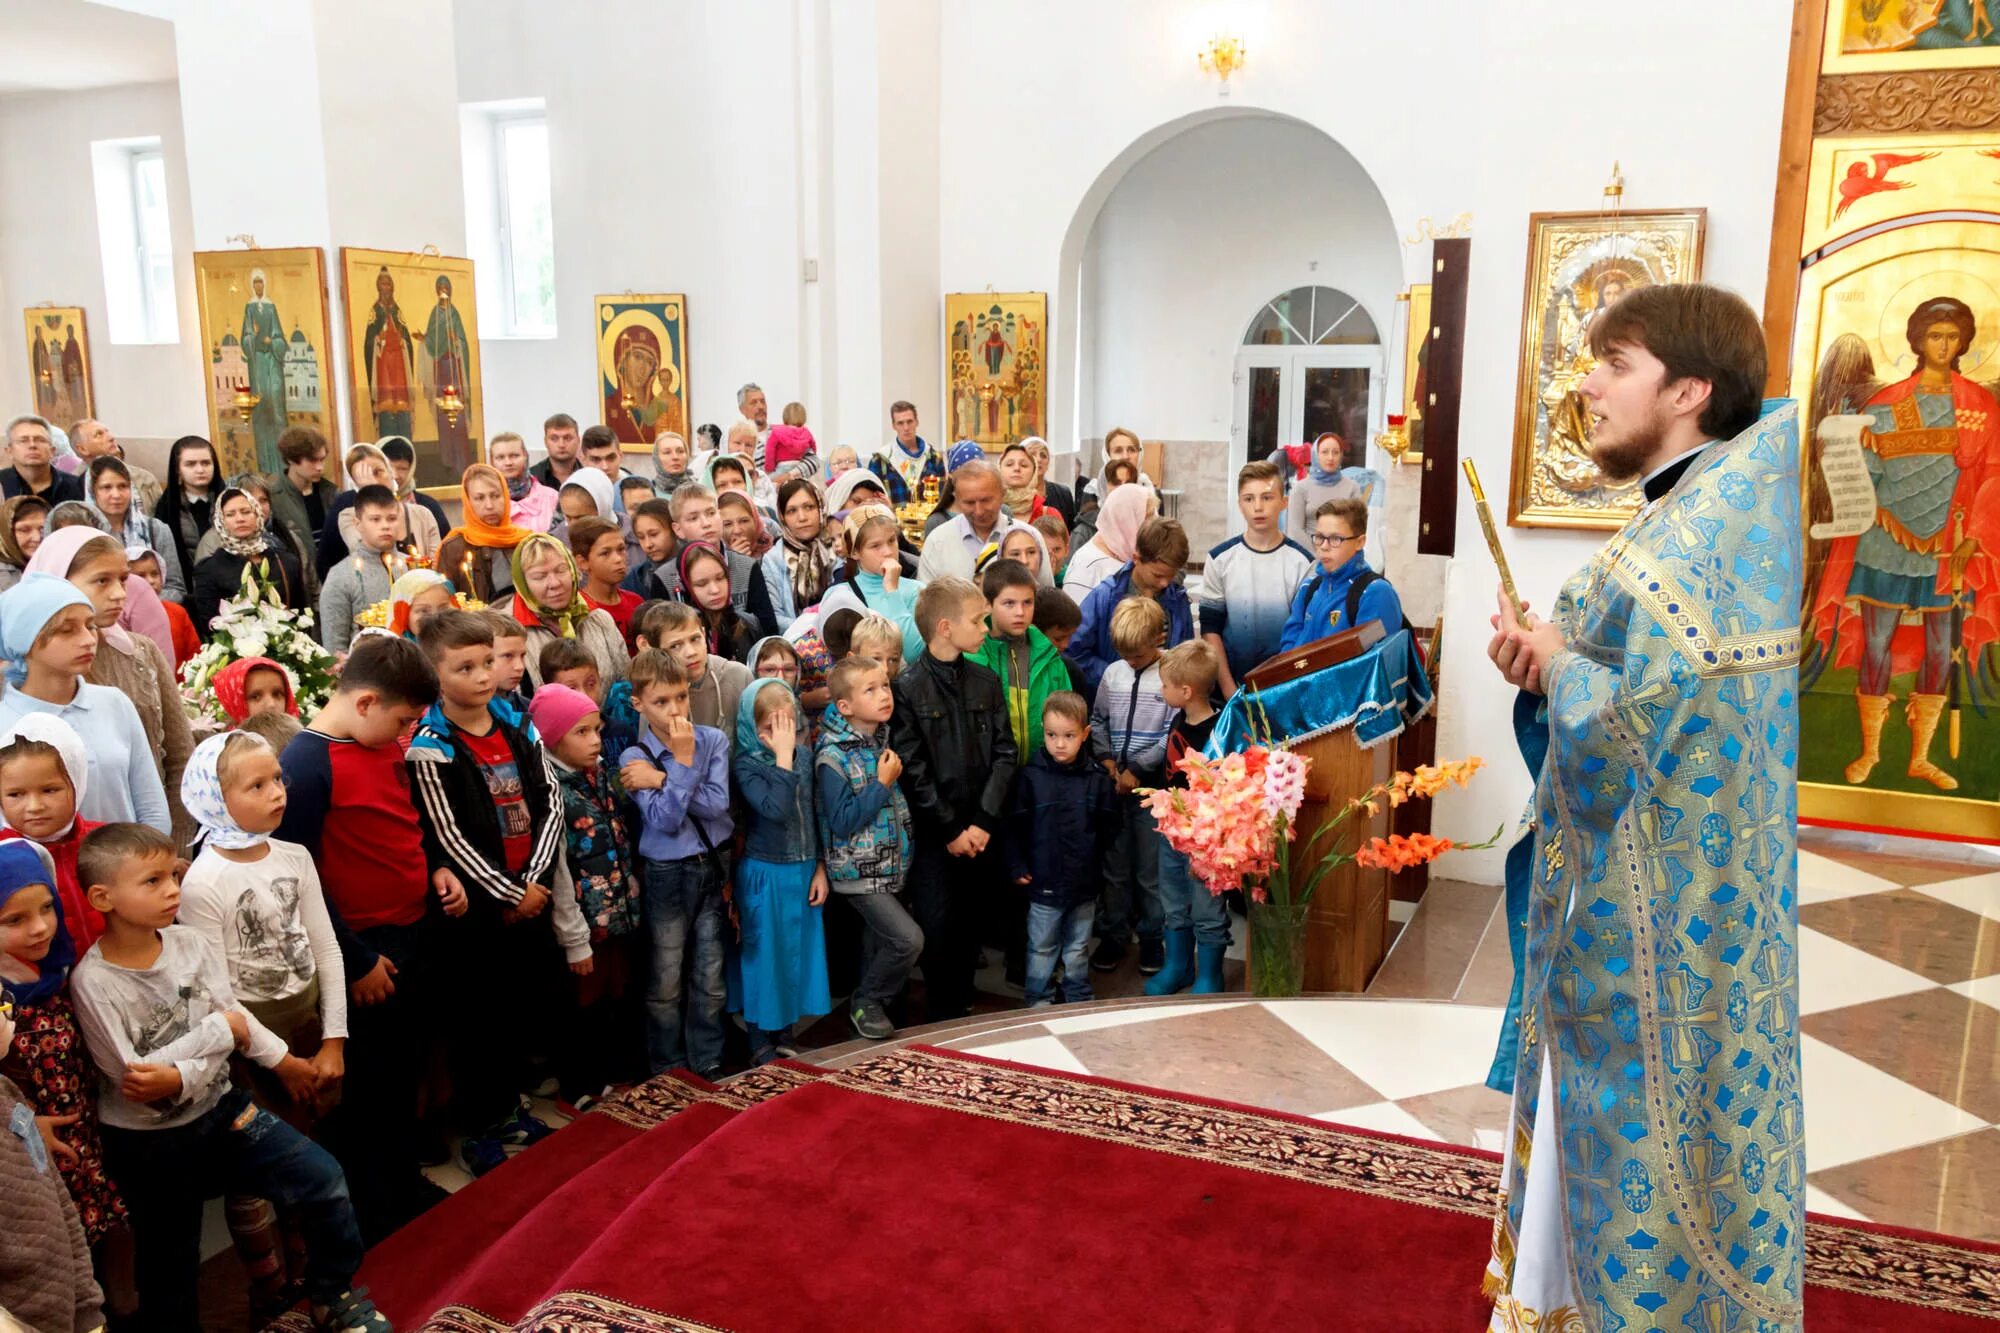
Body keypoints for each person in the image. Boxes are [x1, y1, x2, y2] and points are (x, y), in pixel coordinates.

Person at [1482, 283, 1801, 1330]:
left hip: (1647, 931)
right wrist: (1551, 670)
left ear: (1688, 389)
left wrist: (1563, 668)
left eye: (1613, 363)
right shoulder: (1705, 517)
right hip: (1671, 903)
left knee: (1629, 1150)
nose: (1586, 385)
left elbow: (1641, 733)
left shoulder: (1686, 541)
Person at [69, 822, 388, 1332]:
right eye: (152, 881)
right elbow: (137, 1077)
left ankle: (331, 1295)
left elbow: (230, 1017)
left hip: (220, 1110)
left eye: (173, 874)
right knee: (171, 1267)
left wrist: (232, 1054)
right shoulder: (94, 981)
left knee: (322, 1179)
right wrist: (218, 1032)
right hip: (149, 1144)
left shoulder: (191, 945)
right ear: (102, 897)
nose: (174, 889)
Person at [273, 633, 444, 1242]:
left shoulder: (378, 744)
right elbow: (302, 877)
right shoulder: (306, 763)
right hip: (363, 951)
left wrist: (437, 872)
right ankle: (370, 1205)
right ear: (367, 702)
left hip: (409, 931)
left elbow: (401, 825)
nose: (406, 734)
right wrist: (356, 959)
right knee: (368, 1085)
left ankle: (401, 1179)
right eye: (401, 720)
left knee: (402, 1073)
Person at [406, 611, 576, 1176]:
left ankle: (509, 1108)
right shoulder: (431, 745)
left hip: (529, 894)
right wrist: (508, 892)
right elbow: (446, 833)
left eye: (489, 663)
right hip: (477, 913)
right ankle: (480, 1125)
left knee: (516, 1010)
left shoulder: (516, 723)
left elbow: (550, 798)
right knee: (475, 1019)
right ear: (434, 673)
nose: (483, 676)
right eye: (465, 667)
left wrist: (534, 879)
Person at [890, 577, 1016, 1022]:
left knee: (972, 922)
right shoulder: (907, 688)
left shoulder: (985, 680)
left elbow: (1006, 752)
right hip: (935, 833)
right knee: (937, 925)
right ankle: (943, 1011)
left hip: (980, 826)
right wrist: (949, 829)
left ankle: (962, 1005)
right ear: (945, 627)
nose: (987, 627)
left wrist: (982, 821)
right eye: (978, 619)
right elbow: (912, 766)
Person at [31, 527, 195, 850]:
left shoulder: (141, 653)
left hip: (147, 844)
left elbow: (179, 758)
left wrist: (173, 849)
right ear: (57, 582)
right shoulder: (27, 671)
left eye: (122, 579)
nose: (120, 593)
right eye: (102, 581)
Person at [618, 649, 731, 1078]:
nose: (675, 710)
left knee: (711, 972)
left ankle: (709, 1058)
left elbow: (719, 806)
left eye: (681, 697)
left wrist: (665, 778)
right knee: (666, 975)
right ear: (639, 705)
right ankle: (669, 1065)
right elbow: (664, 819)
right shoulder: (634, 757)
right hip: (667, 872)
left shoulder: (713, 741)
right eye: (661, 702)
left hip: (711, 862)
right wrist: (682, 764)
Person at [528, 683, 642, 1100]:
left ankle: (610, 1073)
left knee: (612, 997)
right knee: (581, 1008)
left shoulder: (596, 777)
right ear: (554, 737)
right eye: (581, 732)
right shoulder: (551, 789)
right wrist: (573, 935)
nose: (595, 740)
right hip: (582, 923)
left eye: (596, 729)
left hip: (614, 913)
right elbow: (556, 871)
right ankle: (580, 1084)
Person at [0, 575, 169, 835]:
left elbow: (150, 806)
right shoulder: (5, 721)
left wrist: (147, 864)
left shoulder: (114, 703)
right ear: (25, 640)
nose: (88, 640)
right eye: (67, 630)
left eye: (90, 626)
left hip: (126, 870)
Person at [0, 966, 112, 1333]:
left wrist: (88, 1311)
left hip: (64, 1308)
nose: (7, 1011)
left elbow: (59, 1202)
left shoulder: (8, 1096)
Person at [814, 656, 916, 1040]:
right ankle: (866, 1000)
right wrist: (883, 783)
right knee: (908, 940)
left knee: (879, 946)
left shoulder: (878, 738)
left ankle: (868, 1025)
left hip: (889, 866)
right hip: (858, 873)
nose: (883, 695)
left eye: (885, 685)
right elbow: (842, 821)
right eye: (870, 690)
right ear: (845, 706)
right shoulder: (833, 755)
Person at [731, 678, 831, 1064]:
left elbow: (815, 813)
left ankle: (785, 1029)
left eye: (791, 724)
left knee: (794, 954)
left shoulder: (805, 758)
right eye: (776, 727)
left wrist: (821, 866)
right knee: (764, 957)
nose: (786, 735)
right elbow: (775, 810)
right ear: (757, 731)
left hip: (803, 869)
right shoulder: (747, 765)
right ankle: (759, 1038)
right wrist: (784, 759)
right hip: (765, 873)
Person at [1005, 691, 1119, 1006]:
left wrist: (1096, 863)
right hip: (1043, 881)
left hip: (1084, 884)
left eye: (1069, 736)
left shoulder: (1096, 779)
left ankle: (1077, 994)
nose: (1059, 743)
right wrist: (1017, 865)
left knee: (1078, 945)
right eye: (1052, 735)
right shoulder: (1030, 776)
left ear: (1085, 734)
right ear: (1042, 730)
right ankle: (1038, 997)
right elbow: (1014, 827)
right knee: (1041, 945)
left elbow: (1110, 827)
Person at [1086, 596, 1174, 976]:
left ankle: (1152, 937)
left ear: (1159, 637)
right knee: (1114, 868)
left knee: (1149, 872)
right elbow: (1098, 719)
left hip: (1150, 790)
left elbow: (1171, 734)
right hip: (1112, 785)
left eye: (1138, 655)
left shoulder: (1171, 674)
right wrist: (1107, 761)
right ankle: (1114, 934)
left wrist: (1137, 768)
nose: (1131, 661)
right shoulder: (1113, 674)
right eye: (1125, 654)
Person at [1148, 640, 1229, 994]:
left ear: (1185, 691)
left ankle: (1209, 975)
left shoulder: (1218, 732)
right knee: (1173, 897)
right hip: (1172, 832)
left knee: (1206, 904)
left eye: (1165, 685)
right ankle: (1176, 967)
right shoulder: (1179, 718)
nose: (1161, 690)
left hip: (1205, 838)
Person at [1203, 459, 1315, 694]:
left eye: (1267, 497)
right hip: (1230, 683)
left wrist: (1287, 688)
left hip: (1284, 686)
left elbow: (1304, 633)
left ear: (1284, 502)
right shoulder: (1219, 559)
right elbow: (1210, 628)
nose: (1258, 507)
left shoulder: (1303, 563)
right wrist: (1227, 689)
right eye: (1249, 499)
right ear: (1239, 504)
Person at [0, 715, 106, 952]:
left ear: (77, 783)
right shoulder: (3, 856)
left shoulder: (107, 842)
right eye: (16, 794)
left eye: (49, 790)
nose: (34, 806)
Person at [1068, 518, 1193, 698]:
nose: (1165, 583)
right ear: (1136, 559)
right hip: (1115, 700)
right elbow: (1075, 651)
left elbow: (1185, 654)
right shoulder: (1105, 596)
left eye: (1171, 575)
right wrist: (1115, 677)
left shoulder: (1178, 600)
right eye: (1157, 575)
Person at [967, 558, 1069, 764]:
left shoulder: (1048, 655)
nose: (1020, 612)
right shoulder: (973, 655)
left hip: (1041, 772)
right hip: (990, 774)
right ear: (987, 604)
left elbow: (1067, 715)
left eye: (1027, 602)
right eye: (1009, 603)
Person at [505, 532, 631, 688]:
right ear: (522, 584)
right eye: (539, 576)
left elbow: (625, 684)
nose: (554, 583)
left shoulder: (599, 619)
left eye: (561, 570)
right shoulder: (507, 633)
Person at [1278, 497, 1403, 652]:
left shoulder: (1375, 592)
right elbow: (1287, 649)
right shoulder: (1308, 588)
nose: (1324, 546)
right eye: (1319, 537)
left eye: (1335, 539)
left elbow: (1374, 663)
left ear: (1360, 542)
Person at [664, 483, 780, 634]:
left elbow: (768, 630)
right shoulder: (665, 577)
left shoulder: (746, 566)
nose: (706, 523)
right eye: (693, 518)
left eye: (711, 513)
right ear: (678, 529)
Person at [189, 485, 306, 633]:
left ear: (257, 514)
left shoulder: (286, 561)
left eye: (246, 512)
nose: (240, 519)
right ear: (220, 520)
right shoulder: (208, 570)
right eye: (230, 514)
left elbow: (300, 615)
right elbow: (210, 627)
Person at [316, 442, 440, 579]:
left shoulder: (422, 514)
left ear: (389, 472)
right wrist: (370, 493)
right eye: (362, 476)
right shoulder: (349, 516)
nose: (374, 480)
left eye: (377, 472)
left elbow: (436, 564)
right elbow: (368, 555)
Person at [819, 506, 925, 663]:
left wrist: (892, 591)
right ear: (855, 552)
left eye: (891, 541)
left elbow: (911, 653)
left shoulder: (918, 590)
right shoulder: (839, 595)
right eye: (875, 546)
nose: (888, 552)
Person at [319, 485, 410, 653]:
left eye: (391, 518)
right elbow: (335, 647)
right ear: (358, 524)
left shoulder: (412, 566)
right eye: (375, 519)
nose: (385, 526)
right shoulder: (341, 575)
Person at [649, 601, 751, 743]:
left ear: (704, 634)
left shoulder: (739, 676)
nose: (690, 653)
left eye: (695, 639)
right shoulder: (654, 691)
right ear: (658, 652)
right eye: (675, 646)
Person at [85, 456, 181, 603]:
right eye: (106, 487)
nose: (116, 495)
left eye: (123, 486)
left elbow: (176, 587)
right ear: (93, 492)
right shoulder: (86, 535)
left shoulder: (156, 530)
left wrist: (144, 606)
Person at [437, 463, 536, 605]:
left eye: (495, 496)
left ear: (506, 496)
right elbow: (444, 603)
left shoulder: (525, 541)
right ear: (468, 501)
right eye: (479, 498)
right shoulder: (454, 547)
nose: (489, 505)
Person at [1062, 481, 1156, 604]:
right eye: (1145, 519)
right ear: (1126, 520)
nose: (1150, 528)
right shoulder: (1088, 564)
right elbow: (1076, 618)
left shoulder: (1128, 553)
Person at [763, 477, 837, 631]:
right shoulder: (773, 560)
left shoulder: (837, 548)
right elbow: (775, 617)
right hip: (796, 642)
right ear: (782, 517)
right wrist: (813, 628)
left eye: (809, 507)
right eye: (792, 511)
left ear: (820, 508)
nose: (802, 517)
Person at [151, 436, 220, 594]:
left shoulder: (229, 502)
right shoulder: (165, 508)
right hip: (186, 591)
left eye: (206, 463)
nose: (200, 469)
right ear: (177, 469)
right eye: (190, 464)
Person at [266, 426, 336, 577]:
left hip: (332, 577)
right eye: (312, 460)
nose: (320, 467)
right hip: (298, 579)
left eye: (322, 460)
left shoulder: (331, 492)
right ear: (291, 459)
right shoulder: (274, 498)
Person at [676, 542, 758, 663]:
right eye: (701, 584)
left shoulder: (749, 624)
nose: (715, 590)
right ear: (686, 587)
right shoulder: (677, 635)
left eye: (720, 578)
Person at [569, 516, 642, 646]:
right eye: (605, 553)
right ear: (583, 562)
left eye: (621, 549)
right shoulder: (578, 611)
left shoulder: (636, 602)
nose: (618, 559)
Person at [1284, 431, 1363, 540]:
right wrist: (1317, 555)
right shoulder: (1300, 488)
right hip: (1308, 553)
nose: (1330, 457)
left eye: (1335, 452)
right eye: (1324, 452)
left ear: (1341, 456)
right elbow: (1295, 531)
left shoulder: (1352, 487)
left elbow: (1357, 529)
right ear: (1316, 455)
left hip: (1343, 552)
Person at [128, 547, 199, 668]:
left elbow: (194, 655)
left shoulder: (177, 612)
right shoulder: (122, 620)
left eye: (155, 574)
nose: (150, 581)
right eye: (141, 576)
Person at [868, 400, 945, 507]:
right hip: (892, 521)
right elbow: (871, 501)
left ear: (917, 422)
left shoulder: (933, 457)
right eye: (900, 423)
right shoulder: (880, 460)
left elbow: (944, 498)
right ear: (893, 426)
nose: (906, 428)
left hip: (930, 521)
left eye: (910, 421)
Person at [1, 416, 85, 507]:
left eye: (40, 440)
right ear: (9, 451)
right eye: (23, 440)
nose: (32, 445)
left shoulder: (77, 486)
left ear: (52, 451)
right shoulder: (2, 483)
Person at [377, 435, 450, 538]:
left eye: (402, 468)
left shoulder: (428, 506)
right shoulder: (354, 502)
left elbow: (445, 546)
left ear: (411, 469)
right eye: (388, 467)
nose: (395, 475)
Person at [488, 431, 559, 533]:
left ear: (525, 456)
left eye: (514, 456)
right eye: (500, 457)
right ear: (492, 462)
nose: (508, 463)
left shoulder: (552, 498)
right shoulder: (488, 503)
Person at [210, 655, 297, 726]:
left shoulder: (302, 743)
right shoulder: (226, 747)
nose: (271, 704)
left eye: (277, 694)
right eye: (255, 697)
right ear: (235, 704)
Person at [626, 497, 679, 599]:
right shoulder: (635, 580)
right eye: (641, 537)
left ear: (675, 529)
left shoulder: (695, 567)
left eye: (654, 534)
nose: (648, 544)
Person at [1021, 436, 1075, 529]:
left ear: (1048, 462)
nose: (1039, 459)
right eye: (1032, 455)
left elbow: (1070, 529)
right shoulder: (1014, 494)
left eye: (1043, 456)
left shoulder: (1063, 493)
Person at [0, 493, 47, 593]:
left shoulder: (58, 566)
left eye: (43, 529)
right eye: (24, 530)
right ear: (7, 532)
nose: (37, 538)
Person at [532, 412, 583, 490]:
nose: (561, 445)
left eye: (568, 438)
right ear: (545, 442)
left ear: (578, 440)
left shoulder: (588, 478)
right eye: (554, 438)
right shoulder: (532, 478)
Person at [650, 431, 694, 498]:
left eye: (680, 451)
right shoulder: (649, 493)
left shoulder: (701, 490)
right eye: (667, 452)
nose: (675, 457)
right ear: (657, 458)